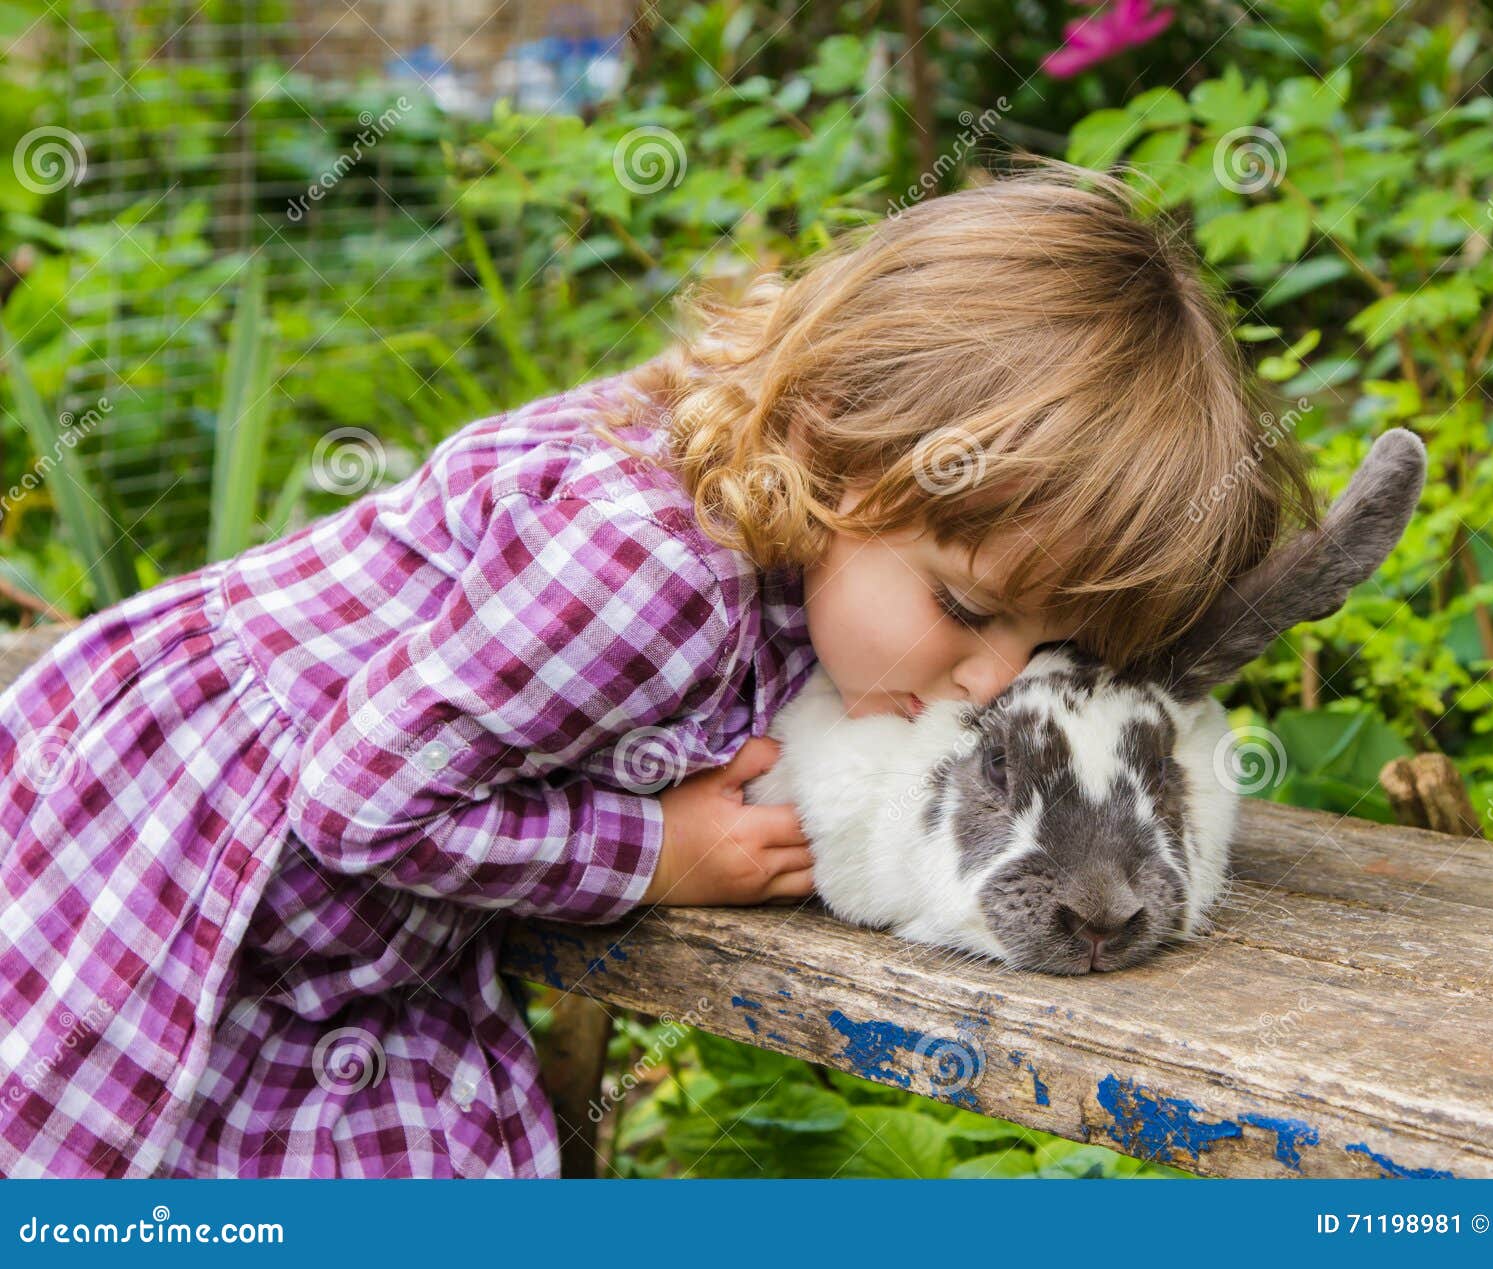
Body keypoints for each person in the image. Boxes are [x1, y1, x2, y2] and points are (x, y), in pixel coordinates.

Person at [0, 157, 1316, 1177]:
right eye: (967, 607)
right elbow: (356, 799)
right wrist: (645, 854)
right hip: (180, 846)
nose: (988, 683)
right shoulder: (648, 572)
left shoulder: (829, 547)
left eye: (1045, 648)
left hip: (359, 918)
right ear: (831, 442)